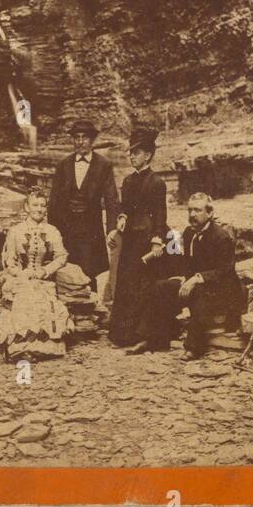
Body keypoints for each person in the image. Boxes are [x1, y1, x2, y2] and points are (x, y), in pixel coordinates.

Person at [138, 192, 246, 358]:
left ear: (210, 213)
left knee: (200, 295)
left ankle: (194, 347)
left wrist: (195, 279)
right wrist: (183, 277)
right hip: (196, 283)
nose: (192, 215)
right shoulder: (189, 233)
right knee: (161, 287)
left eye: (197, 210)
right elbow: (189, 262)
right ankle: (155, 339)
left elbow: (225, 271)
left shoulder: (222, 237)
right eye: (190, 210)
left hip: (221, 290)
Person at [107, 125, 170, 347]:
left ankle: (143, 334)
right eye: (131, 153)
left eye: (137, 153)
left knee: (144, 284)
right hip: (131, 238)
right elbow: (125, 207)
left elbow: (161, 215)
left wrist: (157, 240)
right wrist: (122, 217)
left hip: (147, 239)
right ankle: (123, 335)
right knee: (127, 283)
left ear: (148, 155)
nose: (132, 157)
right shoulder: (128, 181)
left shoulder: (157, 182)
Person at [0, 193, 74, 362]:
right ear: (26, 207)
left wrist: (45, 270)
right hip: (21, 278)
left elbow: (62, 256)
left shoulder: (52, 231)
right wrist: (20, 273)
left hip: (44, 279)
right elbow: (9, 259)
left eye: (42, 205)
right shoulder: (16, 231)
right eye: (35, 205)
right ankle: (19, 348)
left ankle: (42, 348)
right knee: (24, 295)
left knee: (42, 297)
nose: (39, 209)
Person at [47, 118, 119, 290]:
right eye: (76, 137)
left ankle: (90, 311)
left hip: (90, 230)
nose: (80, 142)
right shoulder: (63, 165)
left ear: (92, 140)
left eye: (84, 137)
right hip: (66, 228)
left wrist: (112, 230)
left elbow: (111, 199)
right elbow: (54, 200)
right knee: (64, 268)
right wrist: (51, 231)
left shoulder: (103, 165)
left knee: (88, 272)